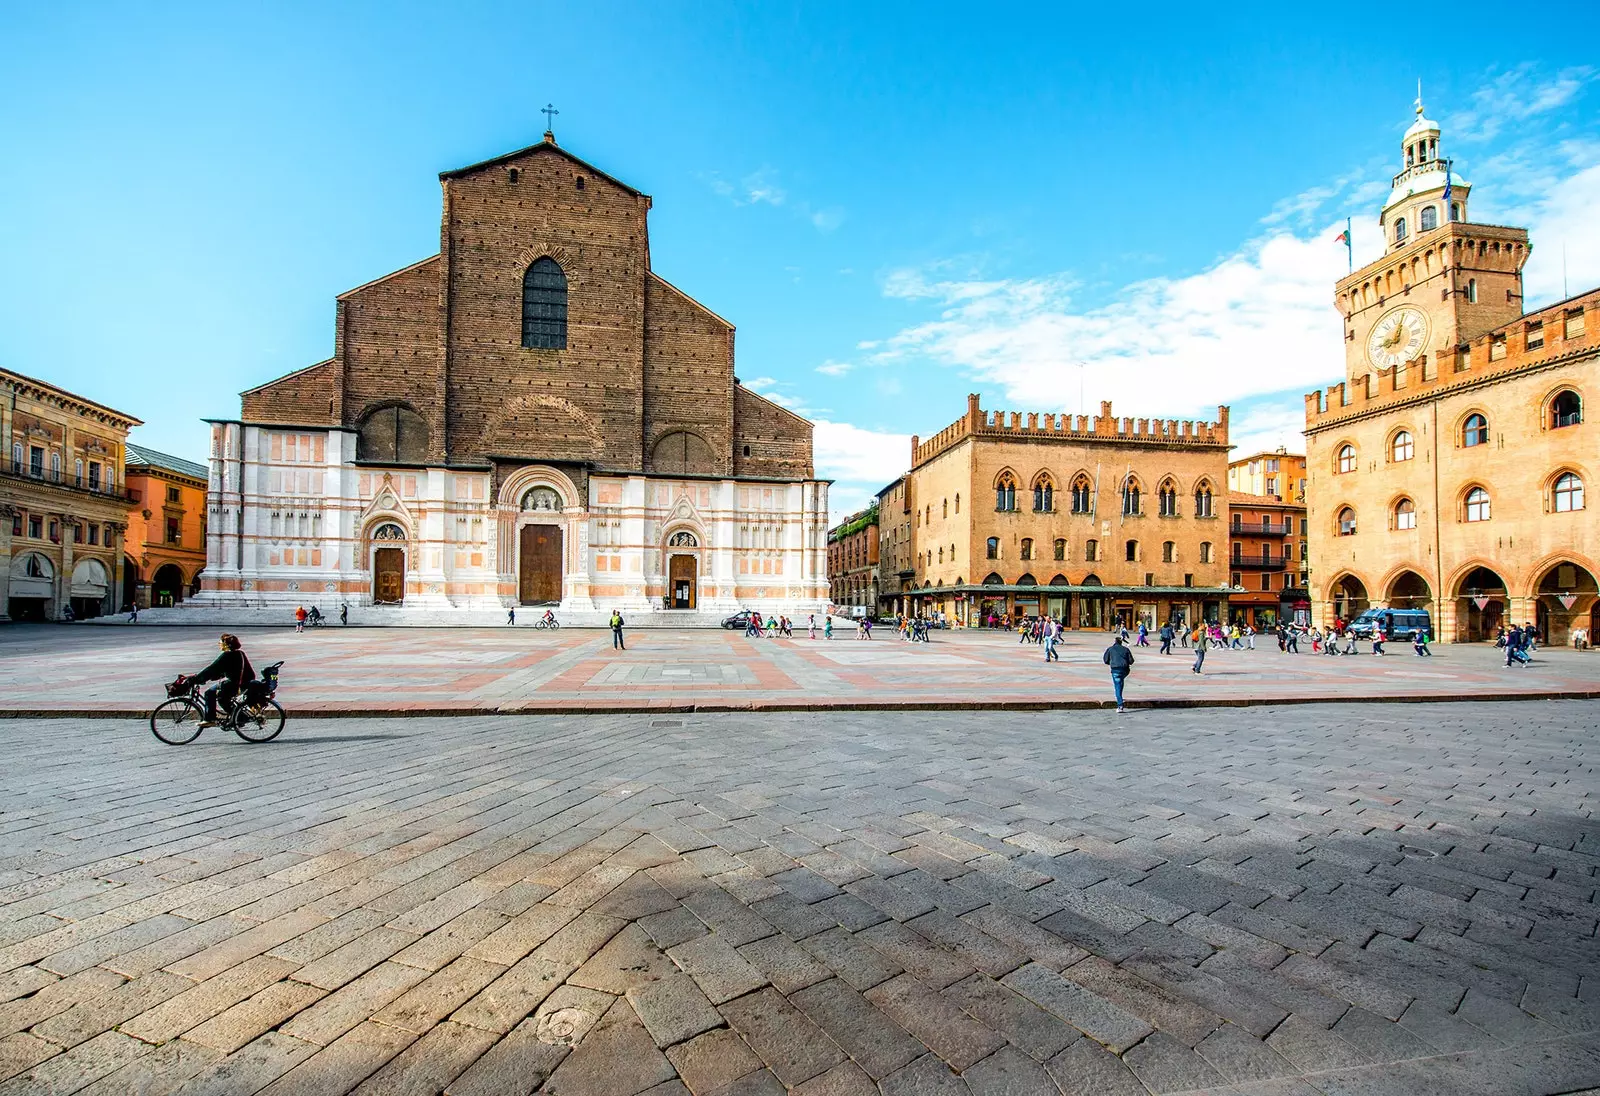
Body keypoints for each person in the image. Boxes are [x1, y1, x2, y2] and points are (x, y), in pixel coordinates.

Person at [188, 633, 256, 728]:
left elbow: (212, 668)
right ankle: (239, 716)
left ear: (226, 644)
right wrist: (211, 677)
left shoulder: (227, 655)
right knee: (223, 698)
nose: (219, 644)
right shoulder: (240, 653)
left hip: (236, 684)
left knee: (209, 693)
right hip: (244, 683)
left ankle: (210, 719)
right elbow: (224, 670)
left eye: (220, 642)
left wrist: (197, 679)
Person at [1102, 635, 1134, 713]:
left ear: (1115, 642)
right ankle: (1120, 697)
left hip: (1115, 669)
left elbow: (1105, 660)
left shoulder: (1110, 649)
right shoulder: (1126, 649)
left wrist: (1111, 662)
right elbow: (1131, 661)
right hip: (1125, 670)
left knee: (1117, 686)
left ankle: (1120, 705)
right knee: (1120, 682)